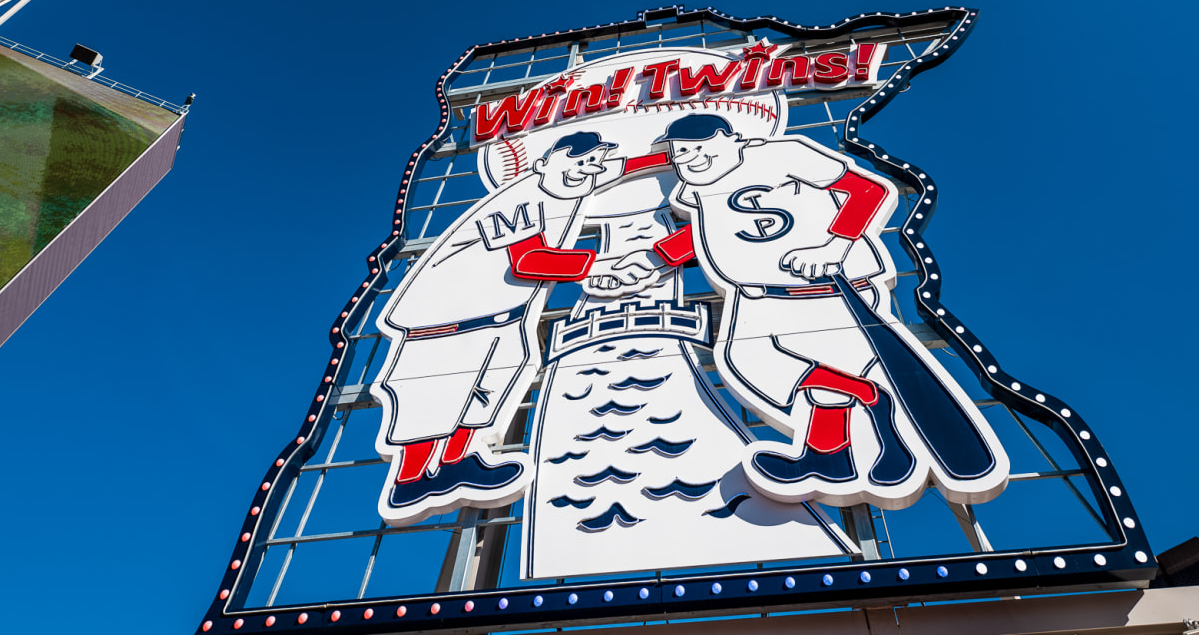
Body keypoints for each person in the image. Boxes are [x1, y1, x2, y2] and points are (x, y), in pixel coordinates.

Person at [592, 113, 1007, 509]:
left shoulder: (782, 153)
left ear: (732, 140)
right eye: (681, 152)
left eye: (701, 147)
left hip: (827, 290)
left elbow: (869, 192)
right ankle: (852, 427)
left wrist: (833, 246)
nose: (690, 158)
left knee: (785, 366)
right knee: (751, 363)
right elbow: (707, 235)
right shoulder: (695, 189)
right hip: (756, 296)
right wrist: (651, 260)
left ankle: (839, 445)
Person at [368, 131, 640, 525]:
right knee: (434, 403)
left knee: (486, 396)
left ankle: (457, 463)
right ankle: (410, 481)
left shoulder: (570, 190)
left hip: (505, 314)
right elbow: (528, 261)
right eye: (577, 160)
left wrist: (666, 157)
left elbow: (627, 166)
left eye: (593, 162)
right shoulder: (520, 197)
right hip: (443, 320)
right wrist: (597, 263)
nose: (586, 168)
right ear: (544, 163)